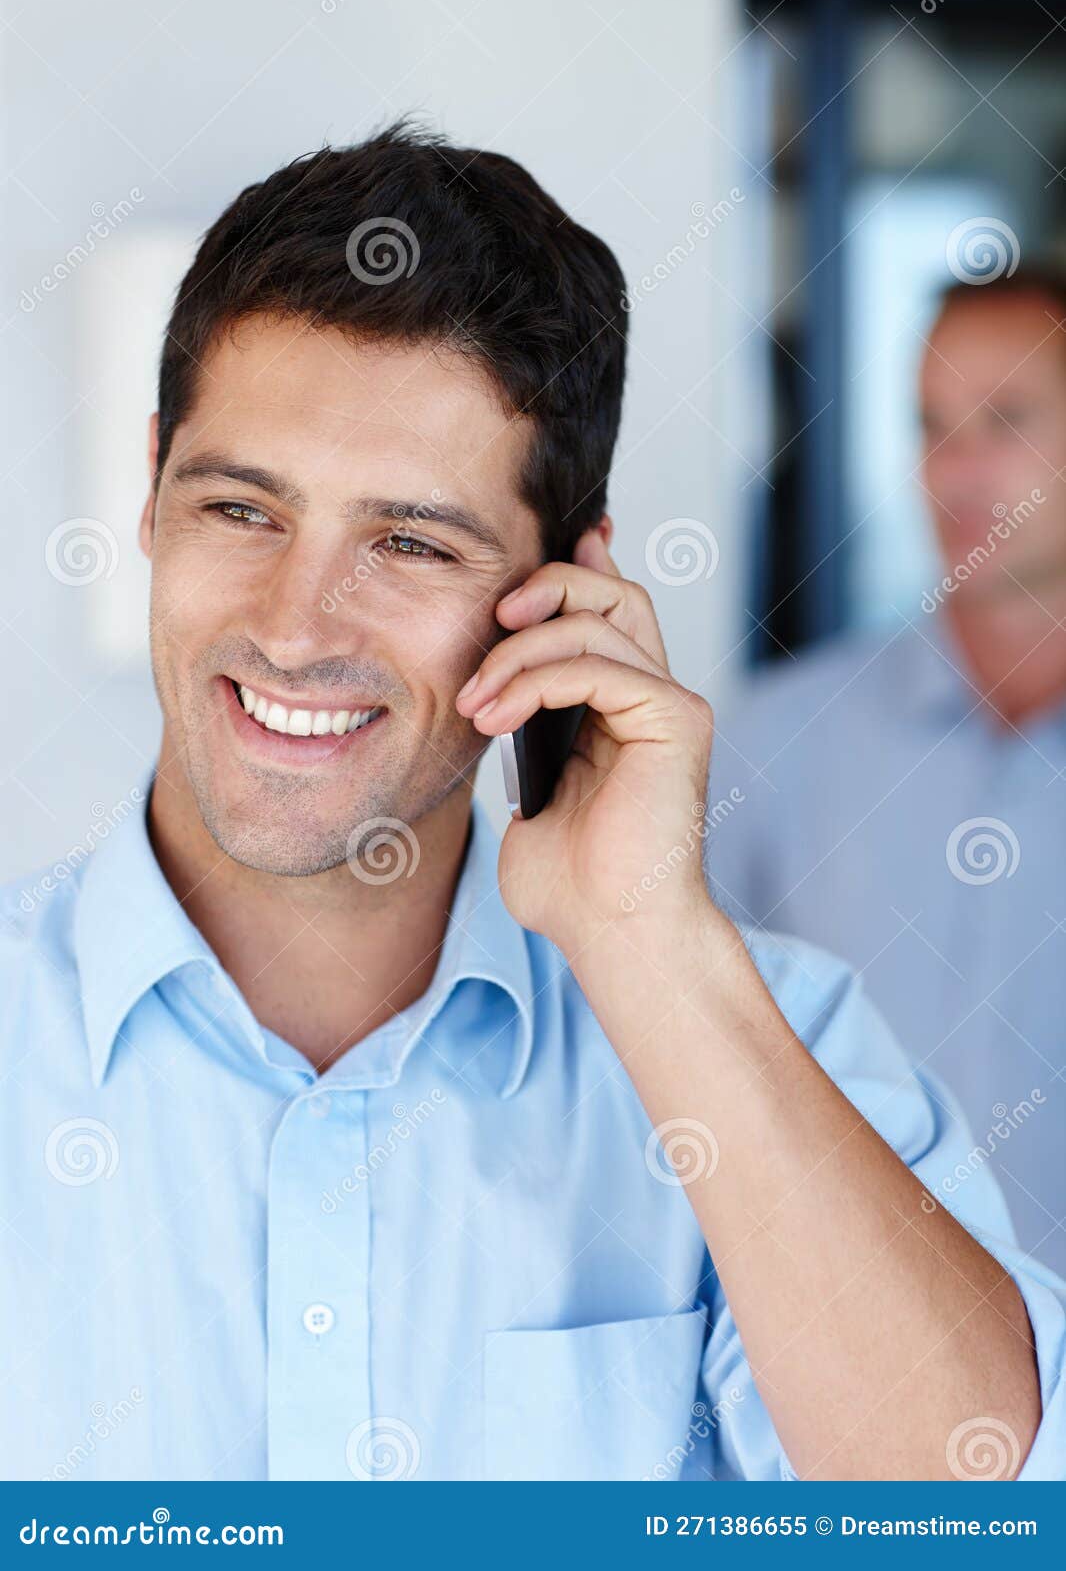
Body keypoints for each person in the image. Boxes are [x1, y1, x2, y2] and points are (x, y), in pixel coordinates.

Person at [2, 130, 1063, 1483]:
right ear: (150, 493)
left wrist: (645, 948)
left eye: (407, 542)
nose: (291, 625)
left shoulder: (764, 1042)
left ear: (564, 586)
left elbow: (981, 1512)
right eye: (242, 510)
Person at [709, 266, 1066, 1280]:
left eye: (1005, 420)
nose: (955, 470)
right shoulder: (776, 744)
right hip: (836, 1392)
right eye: (930, 425)